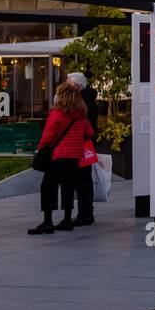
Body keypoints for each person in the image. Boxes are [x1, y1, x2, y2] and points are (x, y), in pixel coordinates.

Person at [29, 82, 94, 235]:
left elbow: (48, 135)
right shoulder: (81, 114)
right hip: (75, 157)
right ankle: (66, 220)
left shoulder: (57, 113)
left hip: (58, 156)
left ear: (61, 96)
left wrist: (40, 148)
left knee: (48, 187)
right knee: (68, 187)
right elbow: (90, 133)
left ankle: (47, 221)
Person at [66, 71, 99, 226]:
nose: (66, 86)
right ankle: (86, 212)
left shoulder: (82, 103)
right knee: (84, 180)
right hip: (87, 144)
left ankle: (84, 214)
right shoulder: (89, 100)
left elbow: (86, 127)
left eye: (69, 83)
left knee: (82, 181)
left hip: (82, 145)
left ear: (77, 86)